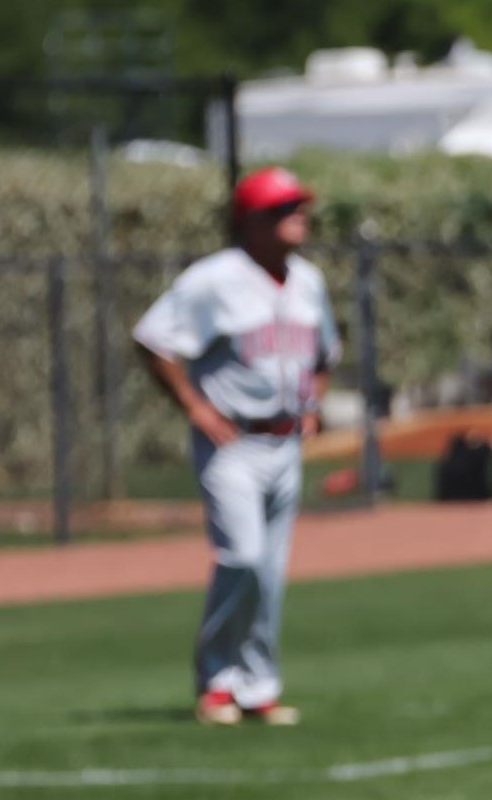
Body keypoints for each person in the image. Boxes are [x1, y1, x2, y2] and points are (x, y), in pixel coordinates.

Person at [132, 166, 341, 726]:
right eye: (283, 208)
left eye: (298, 206)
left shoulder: (308, 280)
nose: (298, 216)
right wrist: (196, 407)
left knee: (270, 571)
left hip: (285, 442)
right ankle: (217, 681)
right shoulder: (214, 279)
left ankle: (258, 686)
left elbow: (323, 354)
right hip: (233, 444)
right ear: (250, 221)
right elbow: (154, 339)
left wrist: (314, 402)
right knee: (242, 557)